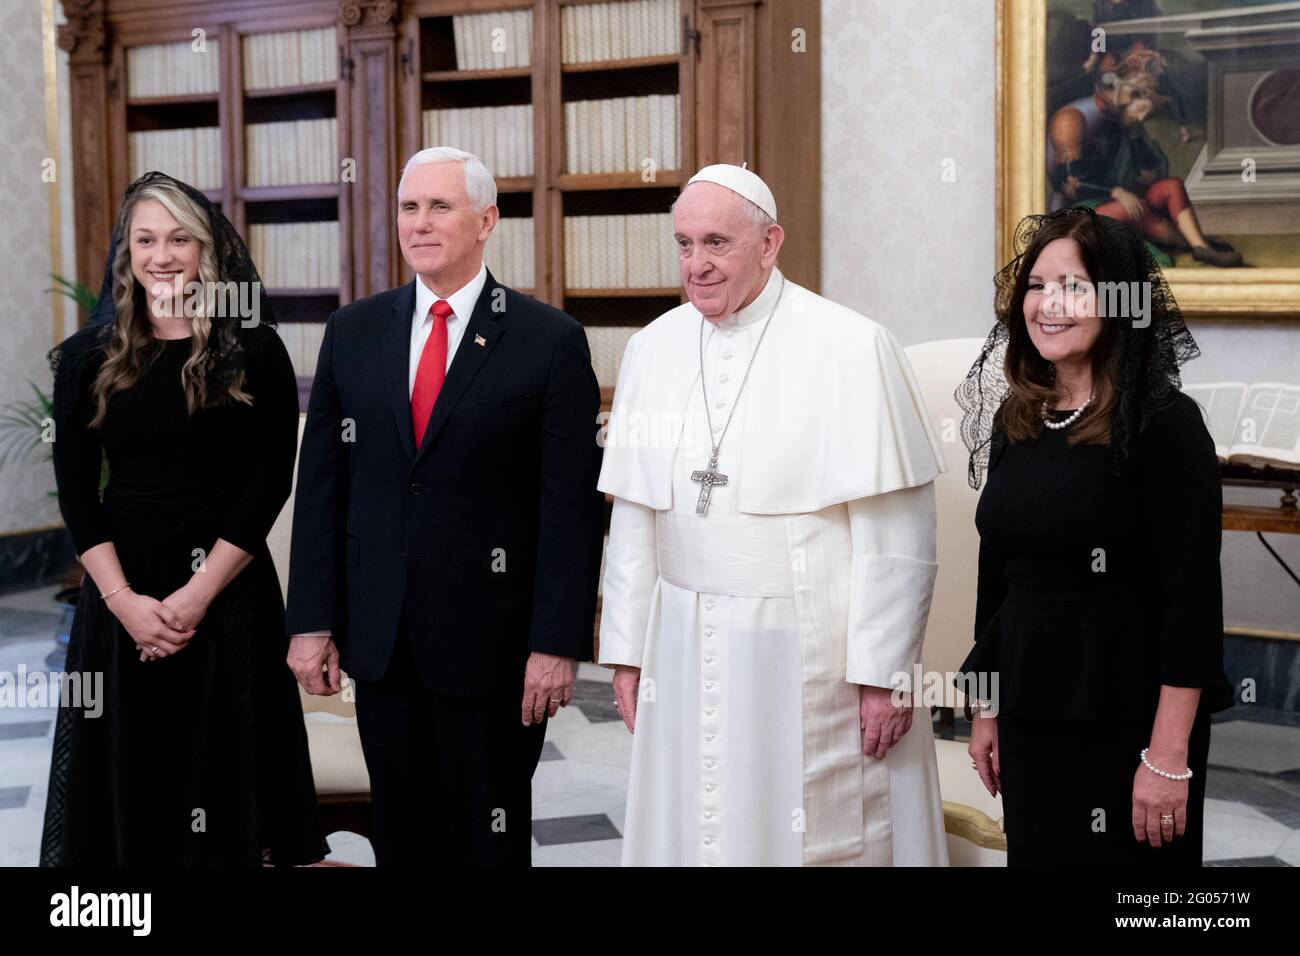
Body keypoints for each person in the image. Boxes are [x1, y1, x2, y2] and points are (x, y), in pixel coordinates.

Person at [599, 164, 950, 866]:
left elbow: (898, 532)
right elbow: (635, 518)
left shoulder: (852, 345)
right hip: (681, 635)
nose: (695, 265)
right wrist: (628, 653)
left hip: (808, 643)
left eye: (717, 244)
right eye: (684, 244)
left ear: (769, 243)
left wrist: (884, 674)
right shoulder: (652, 349)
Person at [284, 147, 604, 867]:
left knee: (486, 841)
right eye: (408, 207)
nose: (420, 223)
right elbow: (323, 490)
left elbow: (571, 512)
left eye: (440, 207)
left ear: (487, 220)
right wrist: (311, 621)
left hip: (493, 647)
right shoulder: (352, 332)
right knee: (405, 839)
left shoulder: (548, 341)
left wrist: (555, 644)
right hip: (383, 640)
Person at [41, 171, 326, 866]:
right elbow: (77, 495)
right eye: (145, 239)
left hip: (227, 597)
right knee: (129, 788)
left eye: (178, 239)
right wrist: (125, 605)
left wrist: (196, 597)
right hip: (122, 599)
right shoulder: (87, 358)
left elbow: (269, 484)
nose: (161, 255)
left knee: (231, 783)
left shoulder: (252, 347)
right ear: (126, 251)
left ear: (206, 251)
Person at [955, 205, 1234, 867]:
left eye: (1074, 286)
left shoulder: (1165, 425)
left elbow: (1192, 603)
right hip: (1030, 703)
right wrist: (987, 708)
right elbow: (999, 575)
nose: (1049, 305)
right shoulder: (1016, 418)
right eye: (1037, 286)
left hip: (1130, 715)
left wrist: (1167, 758)